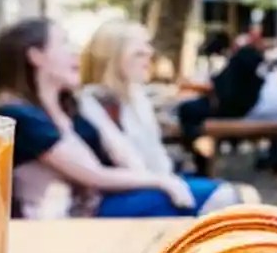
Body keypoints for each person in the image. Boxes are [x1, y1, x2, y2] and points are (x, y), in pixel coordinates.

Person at [0, 18, 239, 219]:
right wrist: (163, 182)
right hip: (74, 217)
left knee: (224, 197)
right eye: (64, 43)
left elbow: (121, 156)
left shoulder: (67, 106)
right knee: (220, 197)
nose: (75, 53)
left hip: (97, 204)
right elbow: (93, 173)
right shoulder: (18, 115)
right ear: (36, 56)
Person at [77, 19, 254, 206]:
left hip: (149, 187)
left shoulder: (134, 97)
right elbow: (129, 164)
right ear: (113, 59)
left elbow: (155, 160)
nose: (149, 55)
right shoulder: (92, 104)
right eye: (138, 53)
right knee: (228, 198)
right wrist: (169, 184)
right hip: (115, 197)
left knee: (238, 195)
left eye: (147, 48)